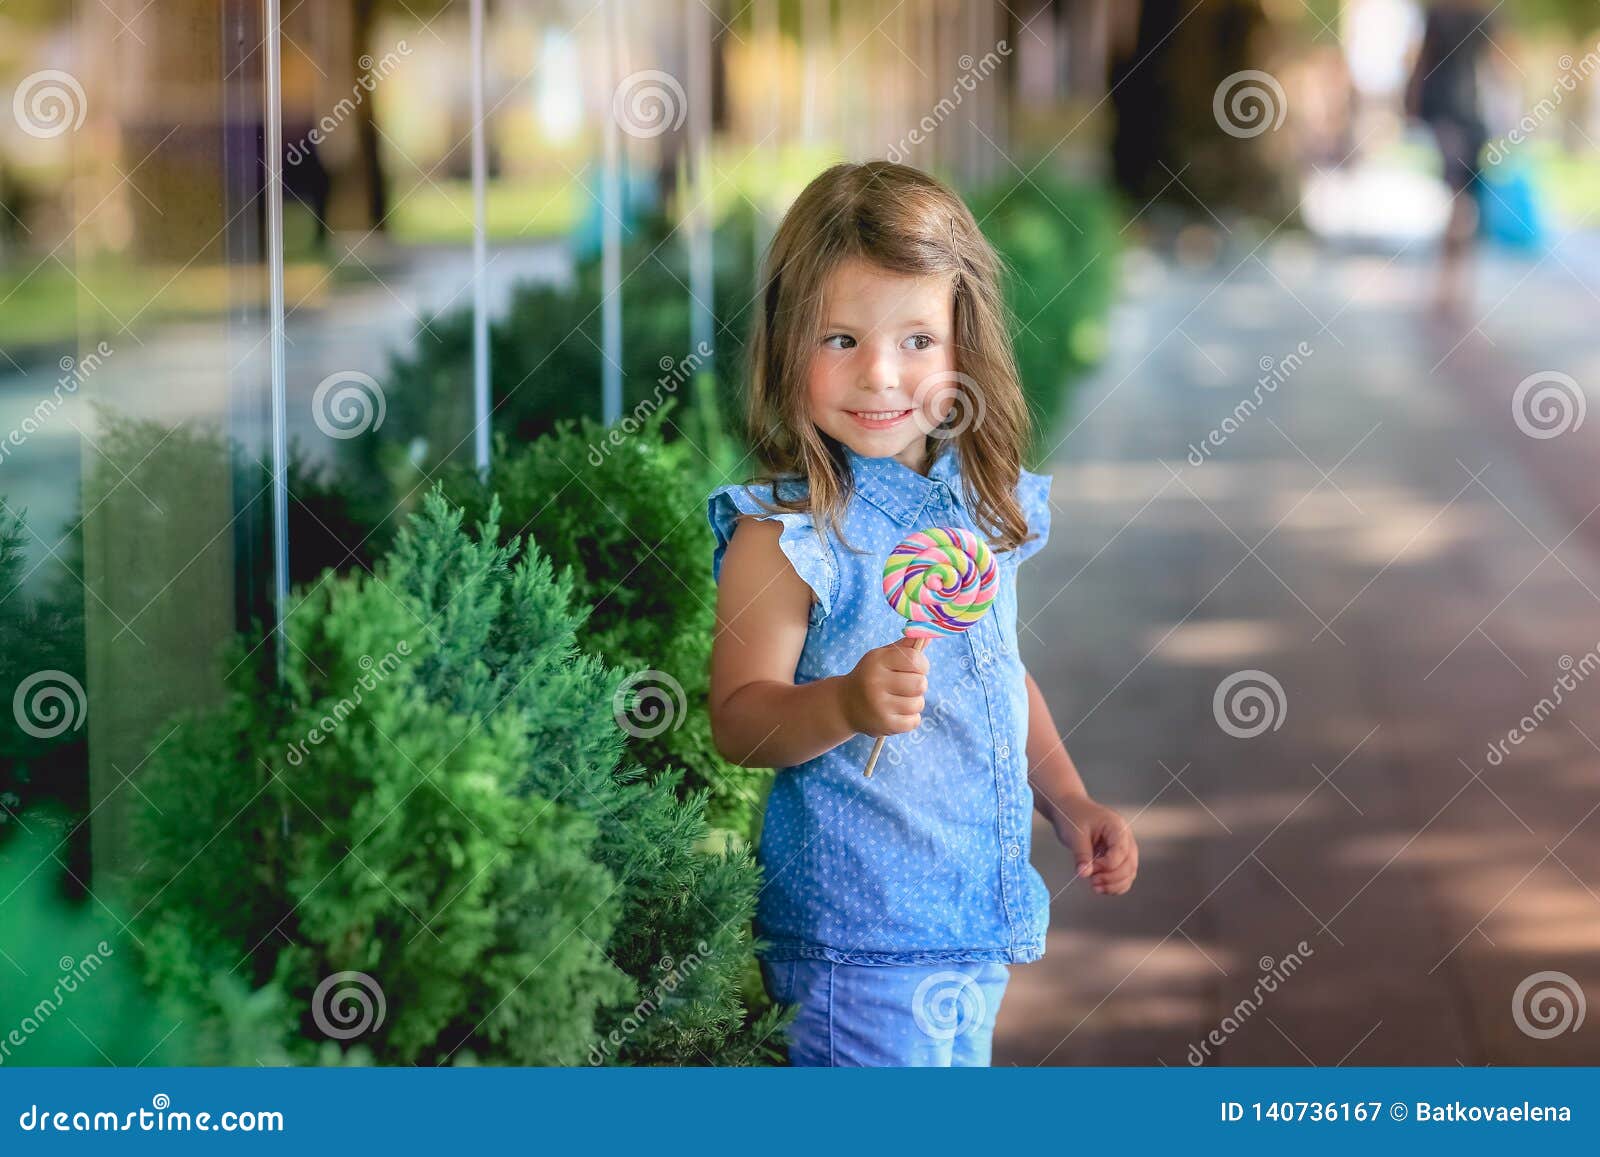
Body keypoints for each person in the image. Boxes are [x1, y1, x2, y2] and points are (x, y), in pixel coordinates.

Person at [705, 161, 1138, 1067]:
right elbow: (740, 718)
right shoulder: (789, 533)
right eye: (839, 339)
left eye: (916, 340)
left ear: (962, 350)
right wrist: (843, 705)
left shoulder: (976, 508)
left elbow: (994, 679)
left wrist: (1068, 798)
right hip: (854, 942)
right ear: (787, 342)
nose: (879, 373)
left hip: (969, 925)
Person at [1405, 0, 1498, 318]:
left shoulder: (1443, 13)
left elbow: (1421, 62)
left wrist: (1412, 105)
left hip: (1450, 112)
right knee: (1462, 199)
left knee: (1458, 199)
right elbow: (1498, 64)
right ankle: (1455, 285)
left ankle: (1450, 285)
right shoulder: (1484, 14)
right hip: (1468, 113)